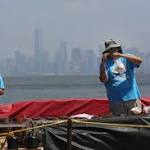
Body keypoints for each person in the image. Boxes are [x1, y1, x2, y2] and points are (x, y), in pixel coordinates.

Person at [99, 39, 142, 116]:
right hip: (116, 100)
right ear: (107, 51)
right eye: (110, 49)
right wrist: (103, 63)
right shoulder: (106, 64)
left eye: (114, 48)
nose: (113, 51)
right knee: (120, 123)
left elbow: (139, 61)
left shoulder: (126, 58)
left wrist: (121, 55)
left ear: (118, 48)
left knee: (136, 121)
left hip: (132, 98)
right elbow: (103, 79)